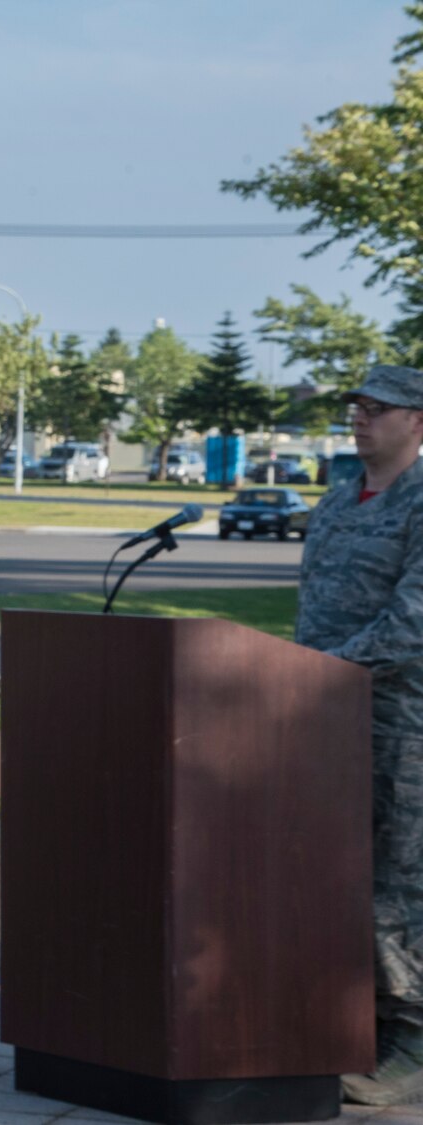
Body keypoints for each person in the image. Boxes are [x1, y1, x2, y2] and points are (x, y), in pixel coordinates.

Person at [297, 364, 423, 1106]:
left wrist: (320, 670)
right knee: (336, 876)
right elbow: (312, 608)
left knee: (398, 881)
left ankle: (410, 1037)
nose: (361, 417)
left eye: (380, 407)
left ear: (418, 421)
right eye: (357, 405)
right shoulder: (337, 499)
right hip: (322, 717)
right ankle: (353, 1023)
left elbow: (413, 625)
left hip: (402, 726)